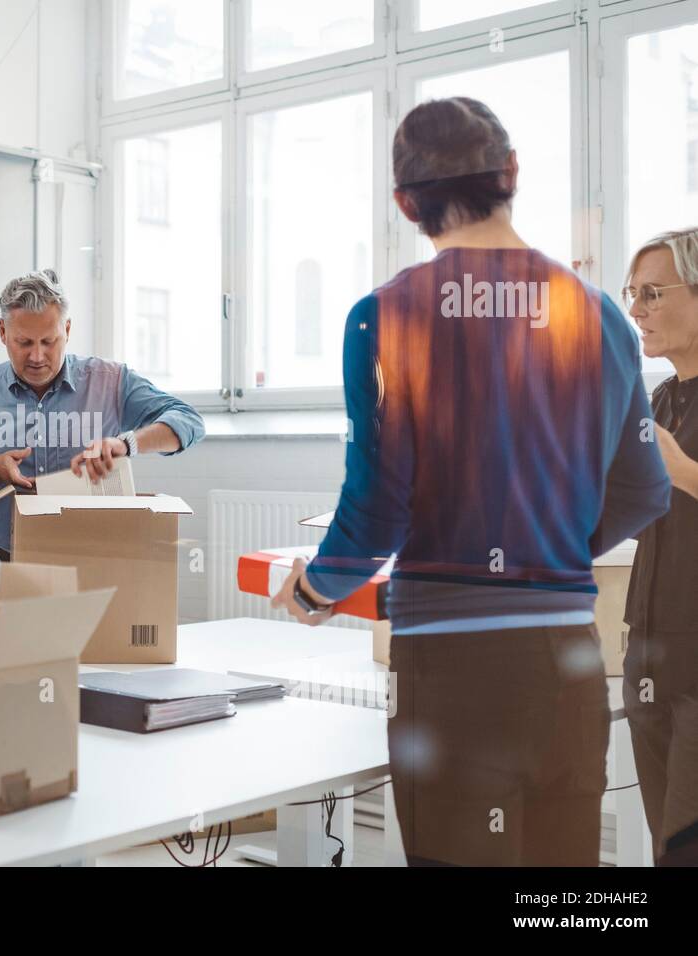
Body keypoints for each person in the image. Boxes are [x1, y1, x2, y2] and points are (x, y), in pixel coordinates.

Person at [273, 97, 671, 865]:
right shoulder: (600, 316)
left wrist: (314, 589)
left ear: (404, 203)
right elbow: (646, 491)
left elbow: (376, 513)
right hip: (570, 662)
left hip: (455, 674)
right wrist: (547, 546)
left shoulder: (382, 318)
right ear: (511, 177)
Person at [0, 268, 205, 560]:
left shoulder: (110, 380)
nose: (37, 356)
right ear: (2, 332)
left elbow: (189, 422)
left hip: (93, 556)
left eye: (49, 341)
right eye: (24, 342)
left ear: (68, 330)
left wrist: (126, 444)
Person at [621, 227, 698, 861]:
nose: (636, 310)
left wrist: (681, 470)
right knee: (664, 844)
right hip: (647, 650)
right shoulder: (661, 396)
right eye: (631, 293)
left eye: (653, 293)